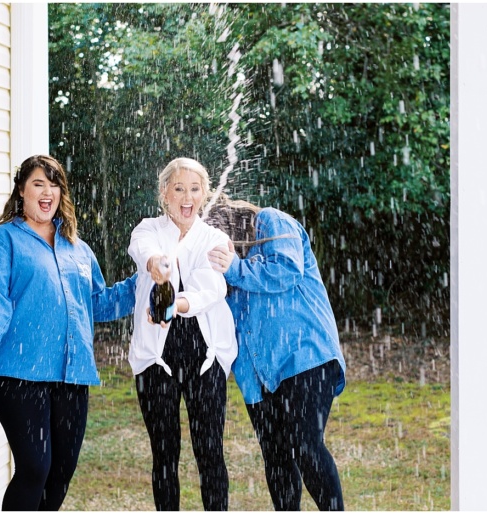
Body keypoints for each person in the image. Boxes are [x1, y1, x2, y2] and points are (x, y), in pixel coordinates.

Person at [0, 154, 136, 511]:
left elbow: (99, 304)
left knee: (60, 472)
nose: (47, 192)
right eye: (38, 184)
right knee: (34, 468)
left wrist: (144, 282)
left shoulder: (78, 248)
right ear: (21, 192)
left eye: (54, 184)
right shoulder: (1, 242)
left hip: (72, 374)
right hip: (18, 372)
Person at [205, 193, 346, 511]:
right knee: (277, 455)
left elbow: (286, 269)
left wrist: (235, 269)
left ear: (229, 223)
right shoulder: (225, 271)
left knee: (306, 446)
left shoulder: (270, 221)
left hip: (305, 358)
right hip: (259, 378)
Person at [127, 157, 237, 511]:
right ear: (164, 194)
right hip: (155, 361)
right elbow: (144, 251)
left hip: (207, 359)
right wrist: (157, 264)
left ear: (204, 194)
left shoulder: (216, 238)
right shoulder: (148, 229)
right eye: (178, 189)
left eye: (194, 189)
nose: (186, 197)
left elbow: (212, 290)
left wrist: (175, 306)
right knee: (164, 452)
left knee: (209, 451)